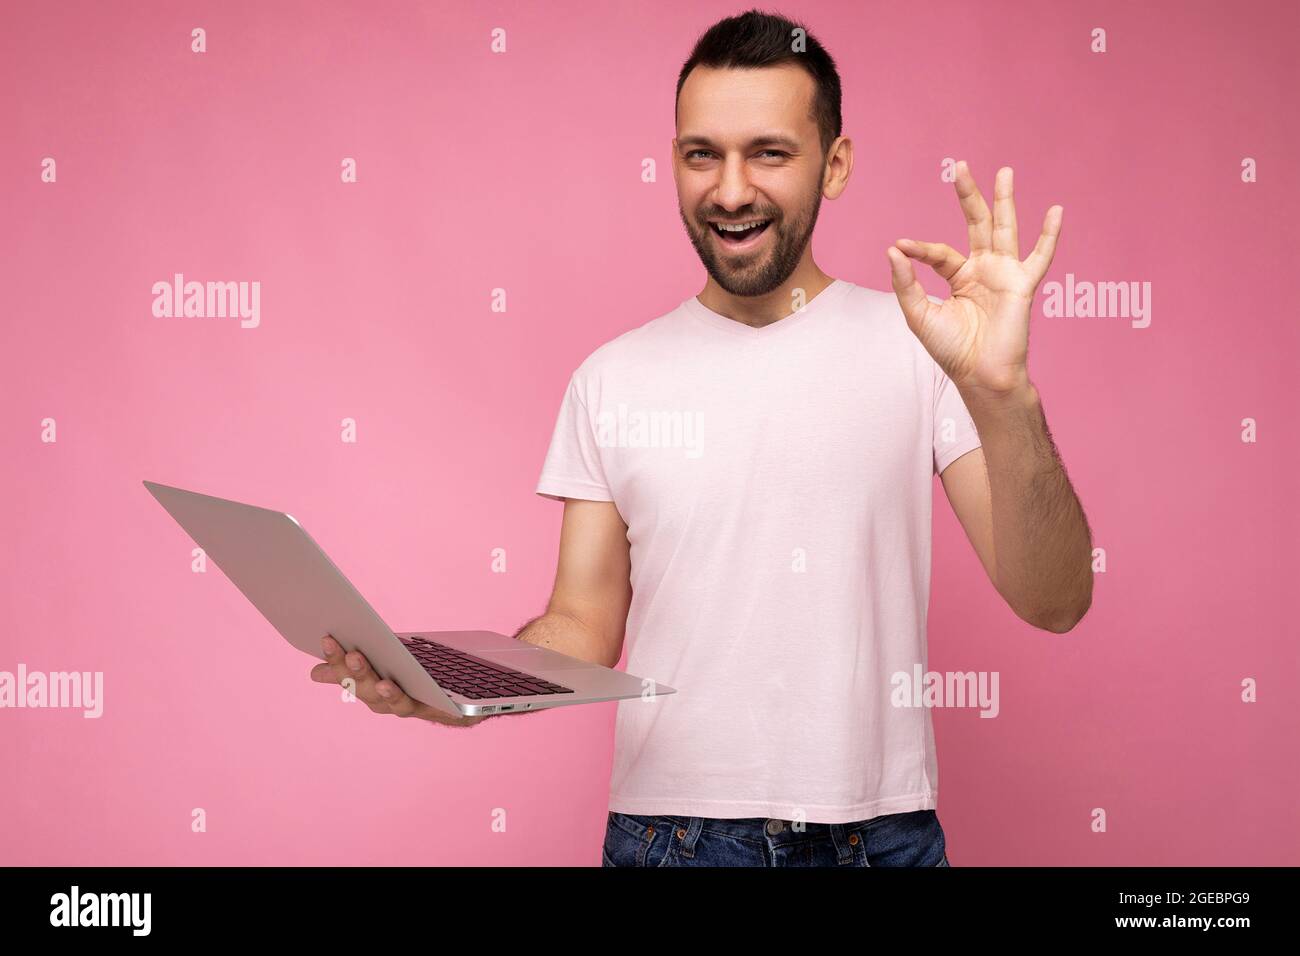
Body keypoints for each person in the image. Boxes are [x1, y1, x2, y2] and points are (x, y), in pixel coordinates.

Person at [310, 8, 1093, 867]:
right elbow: (583, 623)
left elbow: (1054, 600)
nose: (729, 191)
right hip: (668, 839)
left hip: (879, 836)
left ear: (834, 165)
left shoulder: (923, 346)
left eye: (768, 152)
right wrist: (457, 684)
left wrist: (1006, 394)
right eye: (701, 154)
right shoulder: (612, 378)